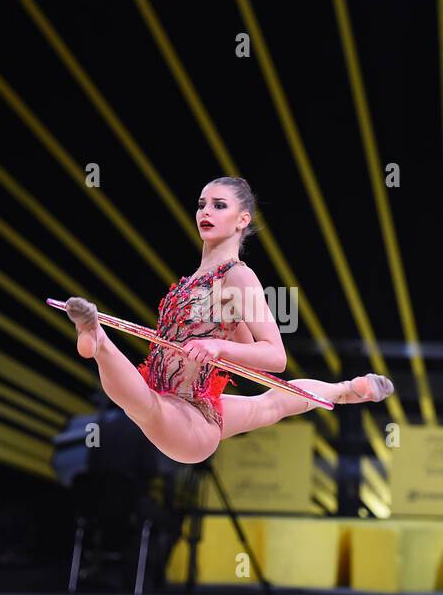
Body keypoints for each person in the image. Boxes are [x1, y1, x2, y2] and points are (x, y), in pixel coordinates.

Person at [64, 177, 394, 465]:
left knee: (143, 404)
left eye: (219, 205)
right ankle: (347, 390)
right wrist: (230, 330)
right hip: (177, 398)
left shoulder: (238, 276)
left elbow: (275, 358)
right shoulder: (192, 279)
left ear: (242, 220)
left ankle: (99, 341)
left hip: (187, 418)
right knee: (271, 405)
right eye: (202, 204)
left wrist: (215, 345)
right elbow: (248, 352)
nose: (205, 212)